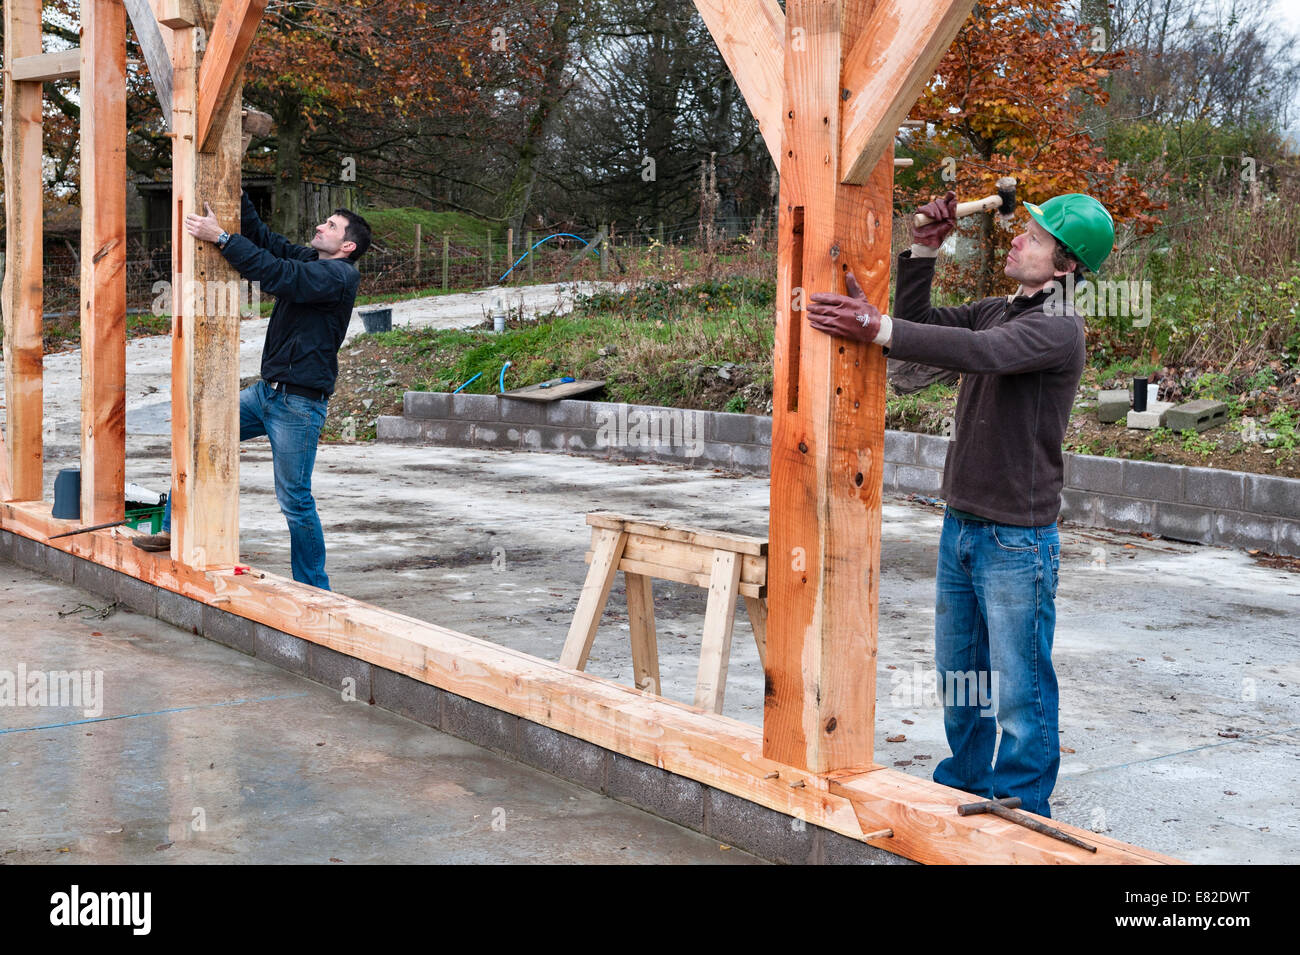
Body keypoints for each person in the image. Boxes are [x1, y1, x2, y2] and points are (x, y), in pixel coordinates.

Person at [805, 191, 1115, 818]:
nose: (1018, 239)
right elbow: (920, 324)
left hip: (1016, 539)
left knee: (1019, 684)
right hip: (963, 525)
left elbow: (980, 356)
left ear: (1064, 266)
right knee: (959, 676)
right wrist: (923, 248)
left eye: (1033, 236)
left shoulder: (1056, 328)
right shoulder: (998, 311)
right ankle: (966, 782)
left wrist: (878, 327)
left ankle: (1023, 801)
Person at [133, 192, 372, 592]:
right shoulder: (312, 260)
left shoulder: (337, 277)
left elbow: (277, 274)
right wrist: (234, 193)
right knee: (198, 436)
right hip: (266, 395)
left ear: (347, 246)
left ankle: (315, 588)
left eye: (331, 226)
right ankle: (176, 532)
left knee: (294, 499)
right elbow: (264, 240)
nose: (320, 226)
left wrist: (223, 239)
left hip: (299, 404)